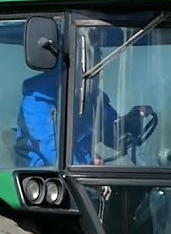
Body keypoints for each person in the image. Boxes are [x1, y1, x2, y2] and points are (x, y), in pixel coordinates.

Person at [13, 69, 154, 168]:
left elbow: (114, 133)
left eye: (100, 68)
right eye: (95, 68)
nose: (100, 75)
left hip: (80, 172)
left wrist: (134, 118)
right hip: (43, 178)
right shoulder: (38, 99)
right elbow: (51, 149)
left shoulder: (94, 99)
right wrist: (88, 166)